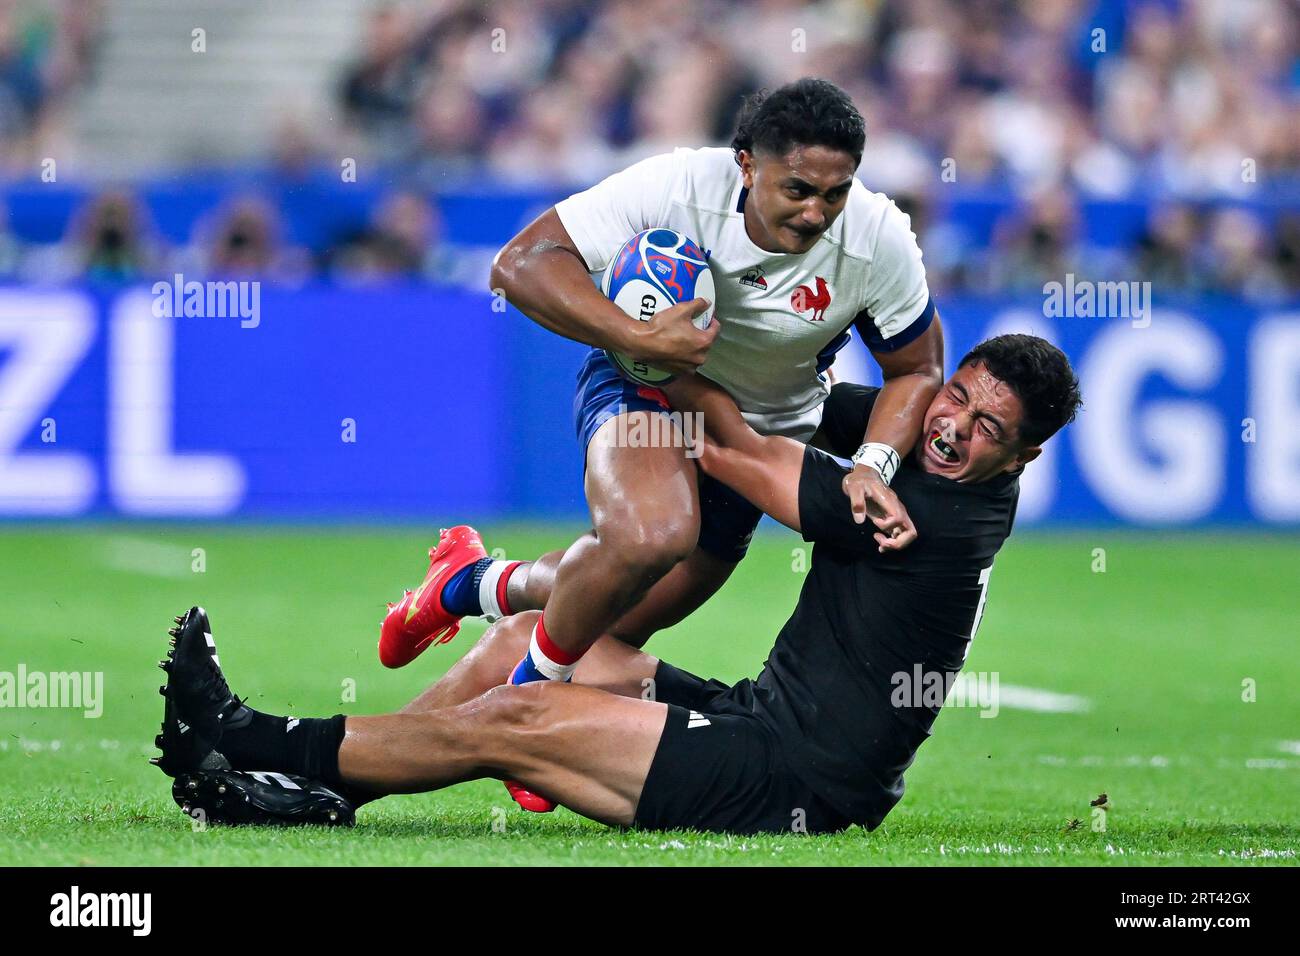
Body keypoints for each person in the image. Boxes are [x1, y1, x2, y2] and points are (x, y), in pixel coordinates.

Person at [153, 334, 1080, 835]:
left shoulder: (929, 513)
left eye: (987, 426)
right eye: (956, 393)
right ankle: (318, 791)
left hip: (795, 780)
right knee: (531, 644)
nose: (953, 424)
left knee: (523, 717)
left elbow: (730, 444)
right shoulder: (918, 449)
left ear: (1023, 457)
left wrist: (650, 340)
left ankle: (245, 738)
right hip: (762, 718)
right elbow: (794, 399)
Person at [380, 78, 944, 806]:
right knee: (650, 537)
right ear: (746, 164)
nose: (816, 212)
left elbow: (918, 367)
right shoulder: (678, 186)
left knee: (611, 618)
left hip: (758, 434)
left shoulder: (876, 237)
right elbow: (520, 263)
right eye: (798, 188)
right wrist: (639, 336)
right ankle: (530, 698)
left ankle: (468, 582)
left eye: (834, 194)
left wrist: (874, 461)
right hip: (650, 386)